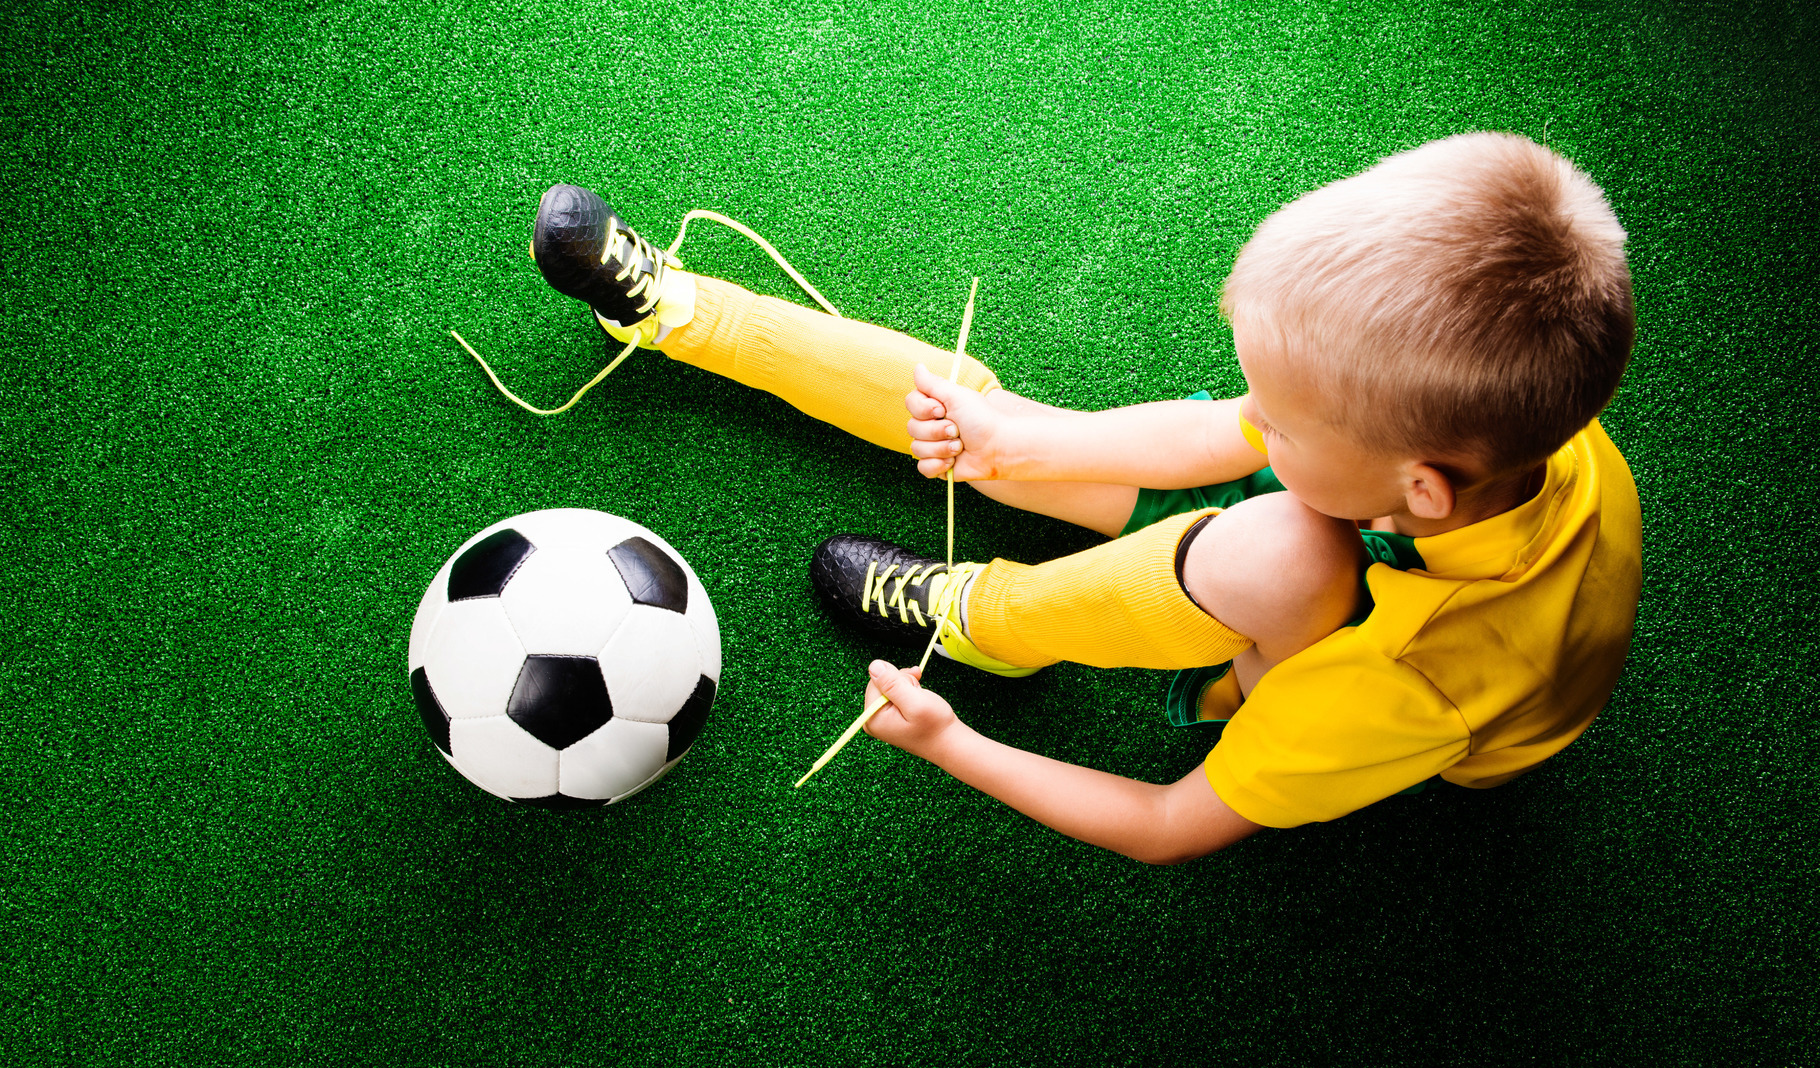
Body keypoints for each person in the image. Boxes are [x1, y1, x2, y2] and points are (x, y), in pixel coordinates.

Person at [521, 131, 1641, 864]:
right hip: (1374, 535)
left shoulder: (1410, 684)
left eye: (1282, 421)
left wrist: (953, 742)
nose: (1255, 416)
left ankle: (984, 624)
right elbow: (1225, 431)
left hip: (1325, 669)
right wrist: (1024, 443)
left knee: (1275, 552)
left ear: (1415, 485)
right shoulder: (1488, 425)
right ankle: (677, 308)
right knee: (976, 416)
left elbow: (1166, 824)